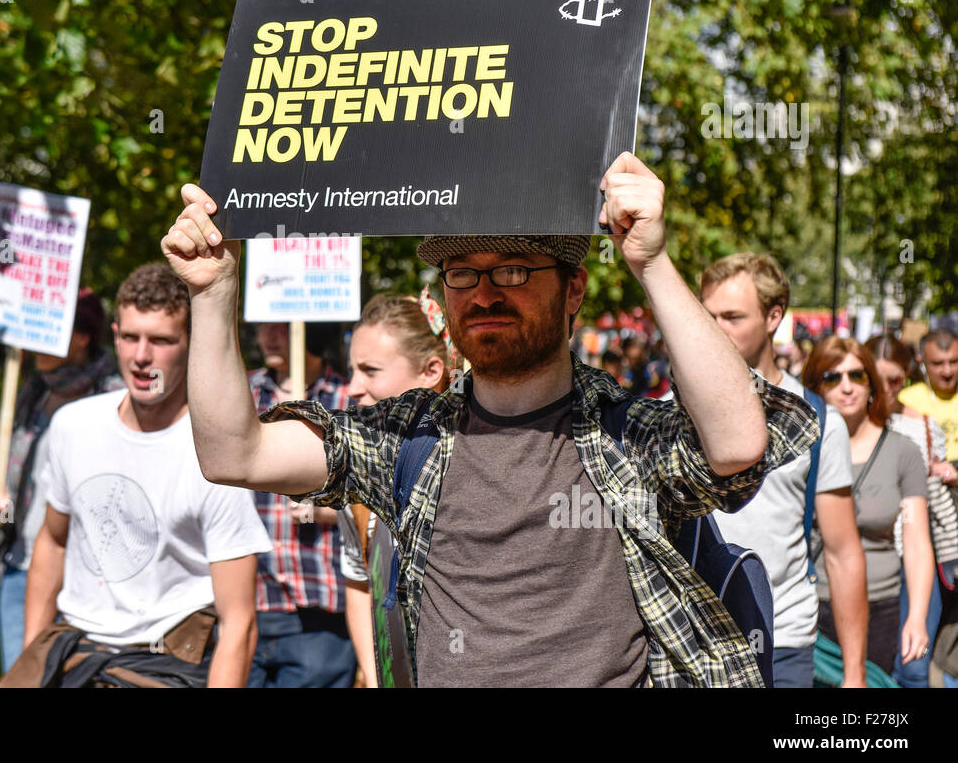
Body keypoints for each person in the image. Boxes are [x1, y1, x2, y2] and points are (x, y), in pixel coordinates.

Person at [162, 152, 819, 687]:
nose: (482, 292)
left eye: (512, 266)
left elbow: (737, 442)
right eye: (460, 273)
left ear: (575, 288)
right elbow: (236, 456)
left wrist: (651, 260)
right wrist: (213, 293)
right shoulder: (408, 439)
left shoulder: (626, 434)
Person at [12, 263, 269, 687]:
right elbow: (53, 540)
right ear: (114, 335)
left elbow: (239, 622)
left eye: (161, 340)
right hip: (75, 657)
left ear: (191, 344)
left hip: (167, 664)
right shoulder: (72, 426)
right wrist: (34, 658)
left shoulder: (215, 456)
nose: (141, 356)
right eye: (130, 337)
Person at [700, 253, 869, 688]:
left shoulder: (816, 419)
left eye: (733, 317)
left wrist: (854, 674)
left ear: (774, 316)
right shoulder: (667, 413)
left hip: (783, 642)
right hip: (692, 639)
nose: (715, 329)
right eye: (708, 315)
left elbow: (842, 552)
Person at [0, 288, 124, 673]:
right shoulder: (31, 393)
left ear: (82, 336)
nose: (32, 334)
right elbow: (14, 471)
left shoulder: (117, 397)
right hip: (20, 569)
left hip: (86, 577)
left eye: (47, 323)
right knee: (23, 676)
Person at [339, 290, 456, 687]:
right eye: (352, 370)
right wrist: (374, 677)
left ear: (431, 371)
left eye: (370, 371)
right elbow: (358, 583)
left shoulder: (472, 462)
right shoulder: (357, 468)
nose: (352, 387)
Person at [801, 337, 932, 675]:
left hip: (879, 608)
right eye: (833, 377)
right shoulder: (800, 451)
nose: (847, 387)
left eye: (857, 376)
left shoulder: (903, 451)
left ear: (871, 384)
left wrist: (916, 618)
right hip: (810, 610)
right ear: (815, 387)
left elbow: (917, 542)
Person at [246, 320, 355, 688]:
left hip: (317, 604)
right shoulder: (241, 394)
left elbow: (380, 504)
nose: (270, 334)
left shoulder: (348, 398)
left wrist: (325, 511)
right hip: (244, 601)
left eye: (282, 324)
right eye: (264, 323)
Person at [869, 333, 954, 686]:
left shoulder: (922, 427)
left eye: (894, 380)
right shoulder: (849, 425)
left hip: (917, 559)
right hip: (873, 563)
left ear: (905, 377)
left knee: (914, 667)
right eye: (876, 378)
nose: (885, 388)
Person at [901, 329, 958, 459]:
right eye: (938, 363)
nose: (947, 371)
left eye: (954, 362)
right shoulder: (906, 400)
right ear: (921, 361)